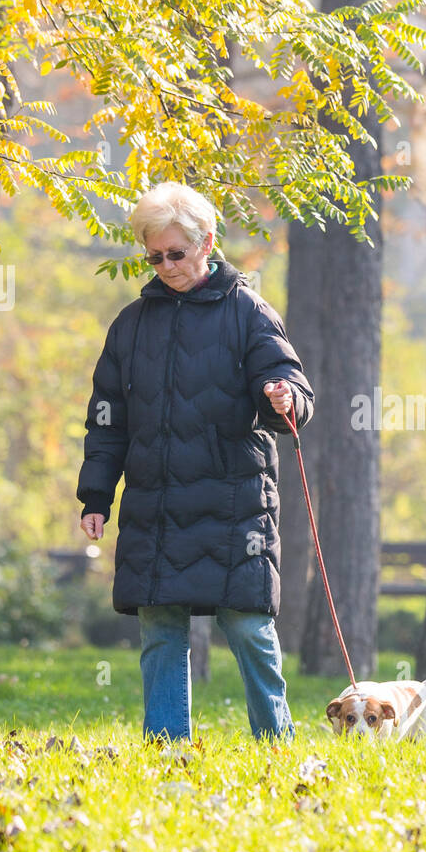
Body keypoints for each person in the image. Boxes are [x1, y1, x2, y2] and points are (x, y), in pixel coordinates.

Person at [77, 181, 313, 745]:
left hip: (235, 503)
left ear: (207, 241)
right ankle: (166, 750)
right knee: (160, 630)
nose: (165, 265)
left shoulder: (249, 312)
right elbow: (108, 419)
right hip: (155, 504)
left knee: (250, 628)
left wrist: (285, 399)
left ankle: (276, 748)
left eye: (175, 254)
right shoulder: (131, 325)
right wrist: (95, 496)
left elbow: (289, 383)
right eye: (154, 256)